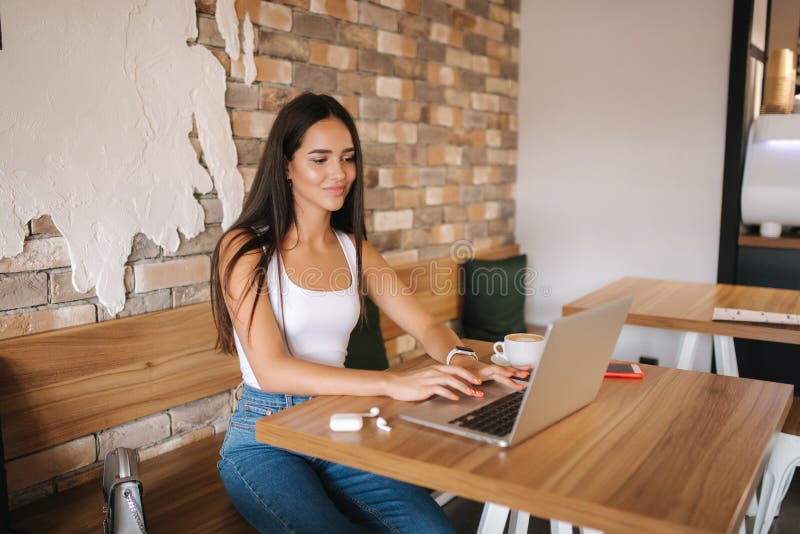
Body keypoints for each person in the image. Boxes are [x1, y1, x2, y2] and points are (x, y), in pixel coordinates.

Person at [211, 92, 528, 533]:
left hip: (337, 419)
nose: (338, 173)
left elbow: (426, 326)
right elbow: (271, 370)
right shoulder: (245, 248)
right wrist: (392, 382)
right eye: (319, 159)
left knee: (433, 529)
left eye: (347, 158)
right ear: (286, 166)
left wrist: (465, 362)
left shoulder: (355, 251)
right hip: (264, 436)